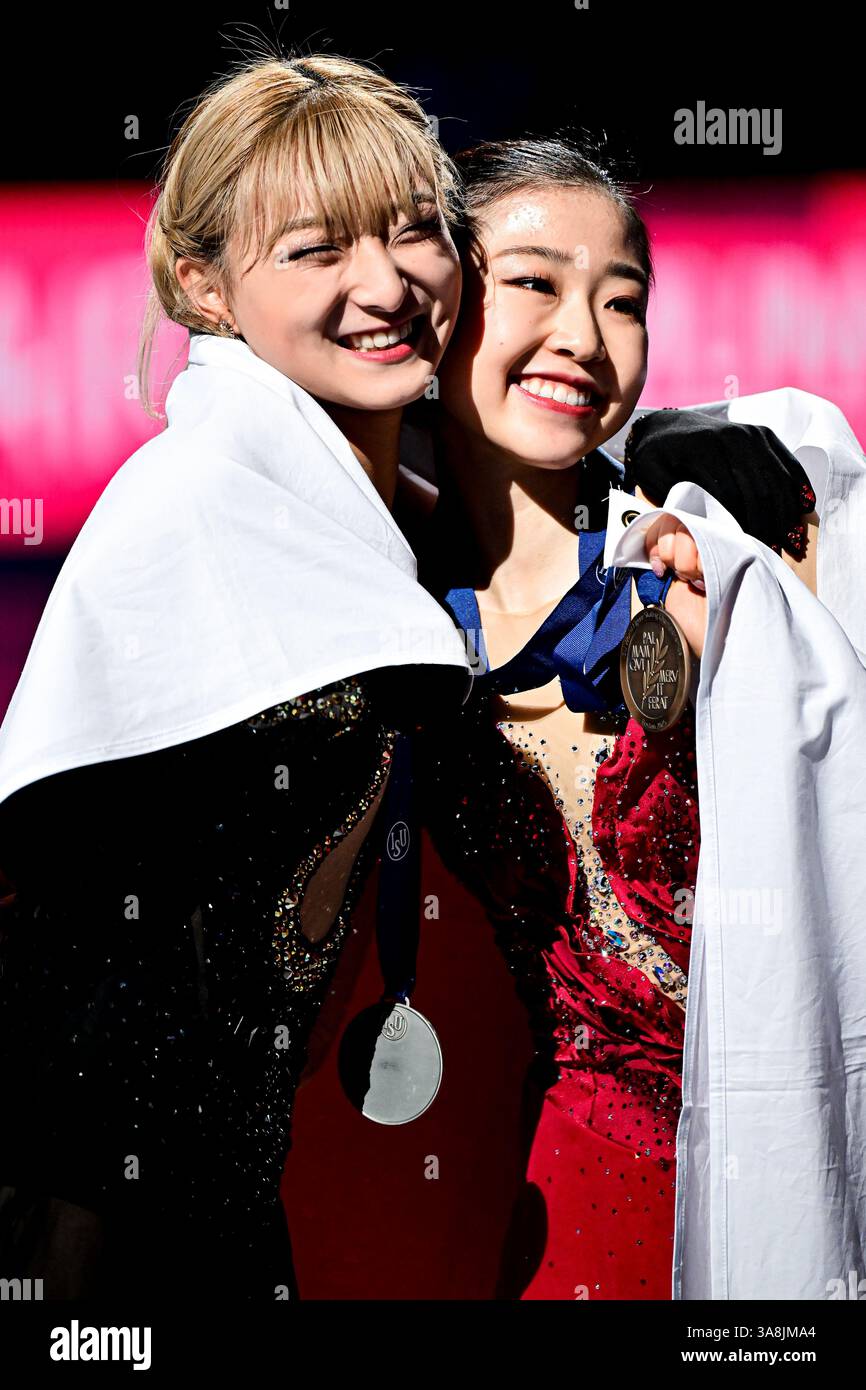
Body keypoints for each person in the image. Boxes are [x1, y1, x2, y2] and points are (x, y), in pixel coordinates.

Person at [0, 52, 473, 1300]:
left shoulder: (347, 501)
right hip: (94, 1228)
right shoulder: (197, 506)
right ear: (203, 287)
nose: (386, 283)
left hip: (218, 1211)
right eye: (316, 251)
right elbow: (79, 1002)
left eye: (416, 230)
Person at [400, 135, 866, 1299]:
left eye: (623, 300)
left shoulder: (735, 555)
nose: (580, 335)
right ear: (441, 307)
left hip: (802, 1159)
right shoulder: (382, 612)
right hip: (563, 1197)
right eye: (534, 282)